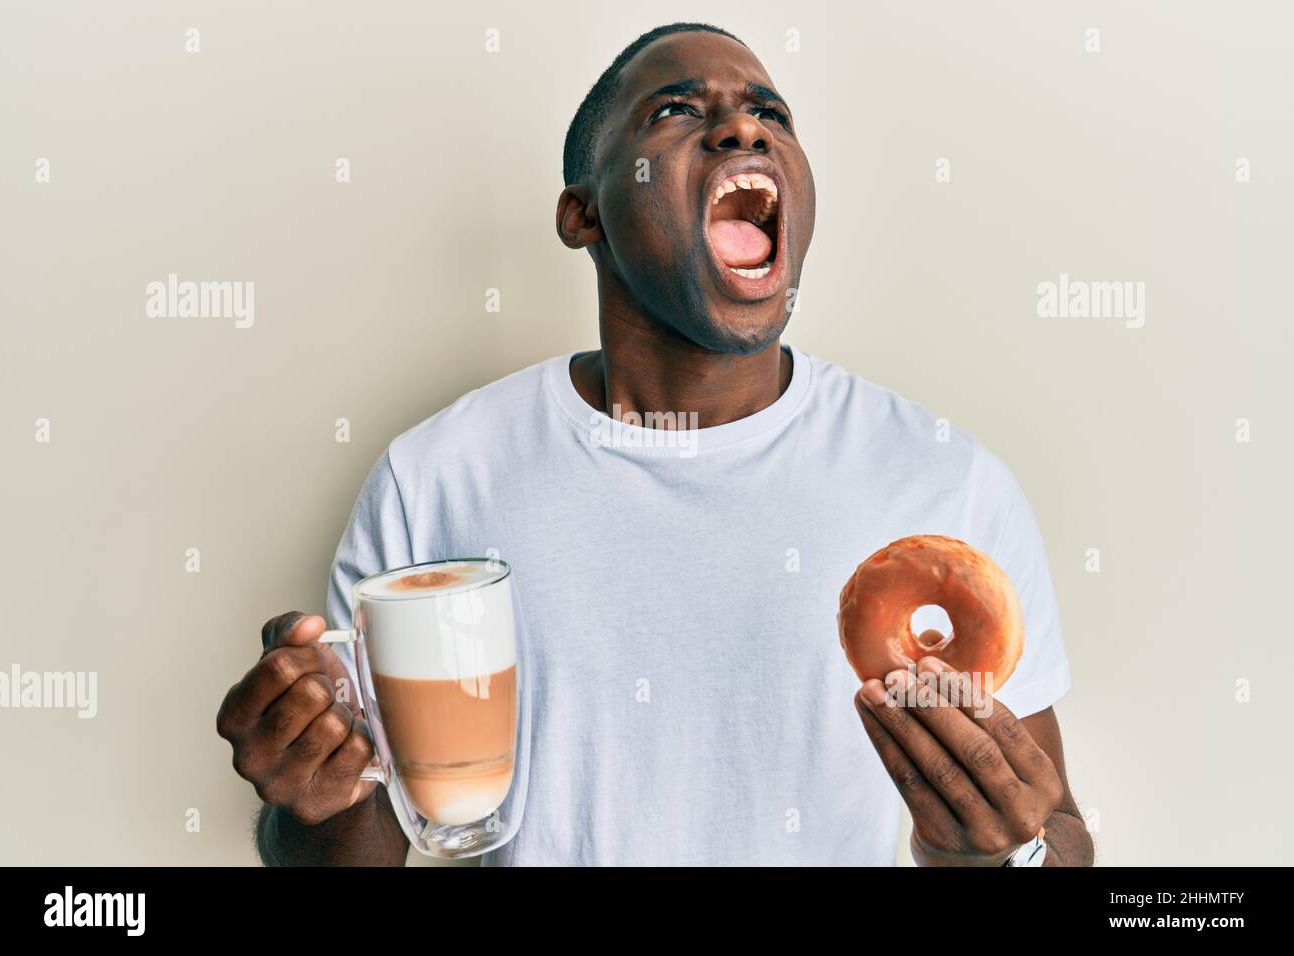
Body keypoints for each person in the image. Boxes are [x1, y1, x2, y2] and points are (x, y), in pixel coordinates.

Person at [216, 22, 1094, 867]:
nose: (744, 126)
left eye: (773, 115)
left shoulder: (945, 479)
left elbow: (1060, 836)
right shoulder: (435, 477)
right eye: (675, 110)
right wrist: (310, 796)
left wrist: (1002, 856)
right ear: (582, 214)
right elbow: (348, 857)